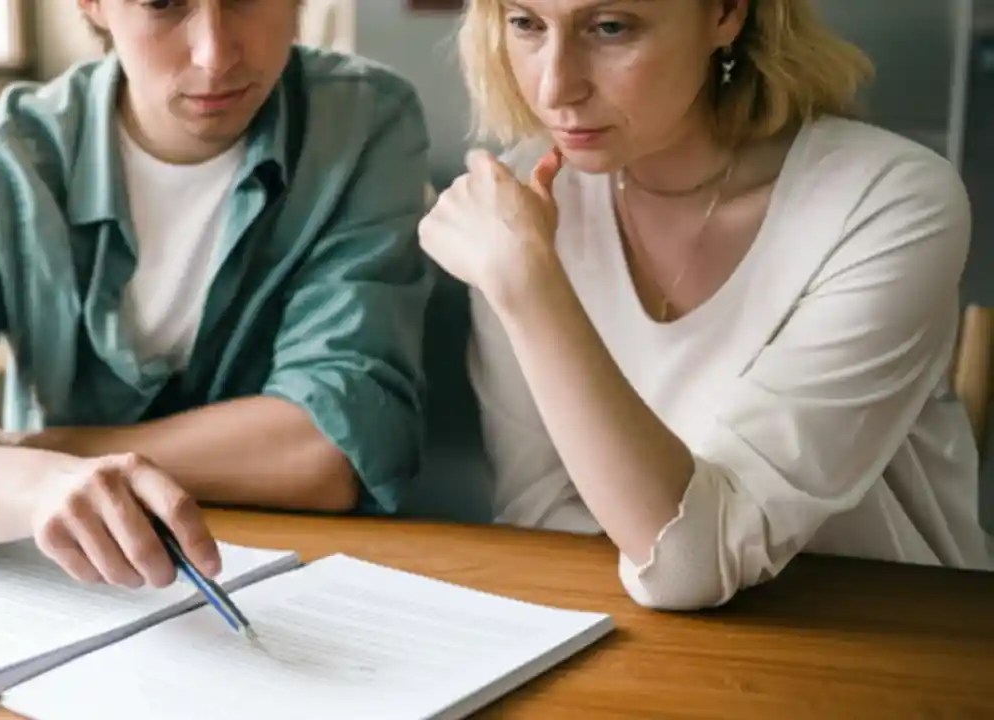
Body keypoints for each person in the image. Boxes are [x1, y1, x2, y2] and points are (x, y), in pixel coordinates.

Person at [0, 0, 434, 590]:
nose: (214, 53)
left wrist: (21, 455)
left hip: (297, 584)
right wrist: (39, 489)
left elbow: (329, 446)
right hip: (63, 579)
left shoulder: (362, 121)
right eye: (163, 5)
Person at [419, 0, 992, 611]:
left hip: (893, 637)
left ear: (725, 13)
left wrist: (528, 282)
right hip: (645, 640)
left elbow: (692, 562)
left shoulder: (890, 203)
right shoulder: (520, 202)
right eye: (526, 23)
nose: (557, 85)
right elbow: (540, 511)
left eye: (610, 28)